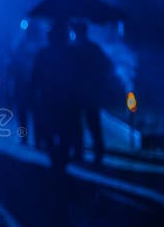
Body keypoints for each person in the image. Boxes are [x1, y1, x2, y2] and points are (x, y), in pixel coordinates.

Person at [70, 21, 122, 165]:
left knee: (81, 123)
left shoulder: (76, 50)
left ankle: (82, 152)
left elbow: (107, 66)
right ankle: (95, 152)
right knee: (91, 123)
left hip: (82, 92)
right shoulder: (91, 48)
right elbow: (108, 66)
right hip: (88, 92)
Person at [30, 22, 80, 172]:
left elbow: (35, 77)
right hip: (63, 99)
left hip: (52, 99)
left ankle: (57, 159)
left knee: (52, 131)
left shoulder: (44, 54)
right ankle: (60, 159)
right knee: (63, 131)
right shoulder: (71, 54)